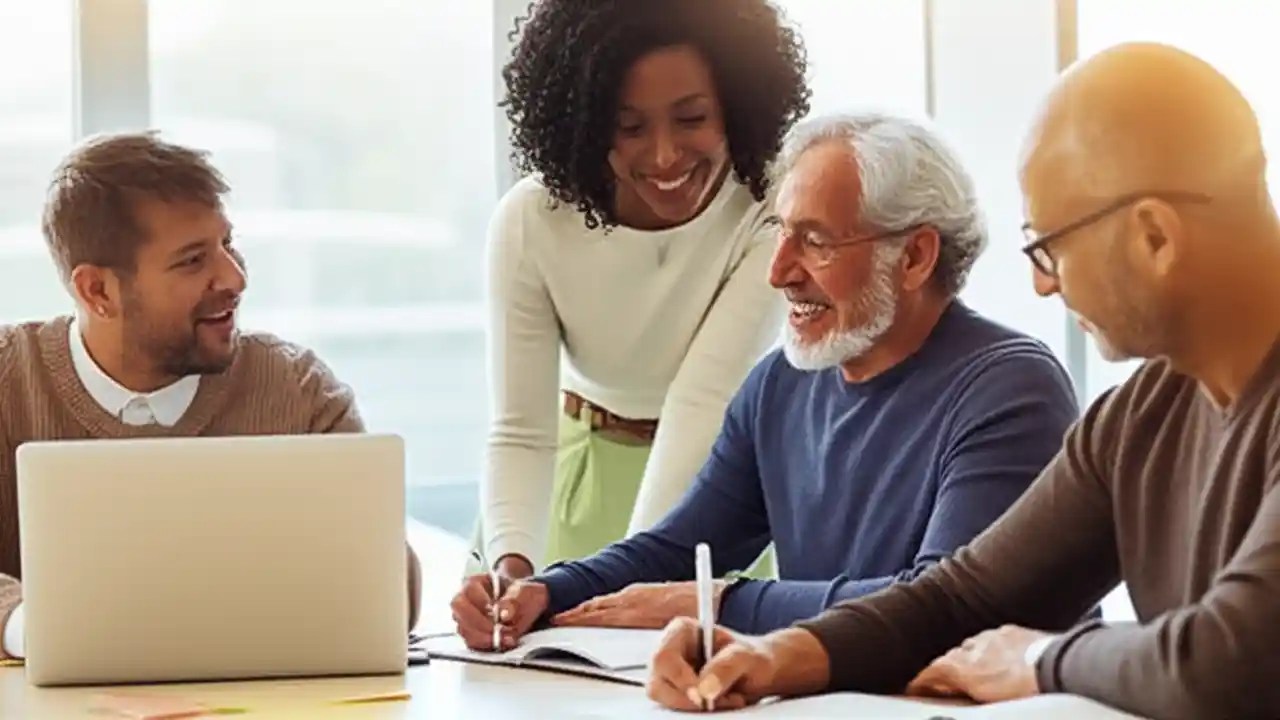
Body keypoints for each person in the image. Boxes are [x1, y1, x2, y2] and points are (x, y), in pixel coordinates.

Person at [646, 43, 1280, 720]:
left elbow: (1230, 663)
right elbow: (965, 596)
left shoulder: (1028, 385)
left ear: (1154, 236)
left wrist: (1036, 661)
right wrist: (781, 653)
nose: (1042, 284)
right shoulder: (1138, 420)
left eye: (1047, 246)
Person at [449, 112, 1079, 649]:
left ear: (914, 256)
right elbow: (675, 549)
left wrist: (721, 606)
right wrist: (542, 591)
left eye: (815, 241)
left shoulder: (1011, 389)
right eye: (782, 234)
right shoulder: (779, 385)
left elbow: (946, 605)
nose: (779, 272)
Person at [0, 132, 421, 661]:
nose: (234, 276)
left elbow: (388, 596)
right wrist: (28, 626)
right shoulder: (8, 381)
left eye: (228, 243)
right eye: (193, 261)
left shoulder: (299, 392)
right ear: (98, 292)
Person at [472, 0, 812, 583]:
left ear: (736, 101)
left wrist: (629, 581)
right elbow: (521, 432)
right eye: (629, 127)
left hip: (716, 491)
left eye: (691, 118)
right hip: (569, 484)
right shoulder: (532, 219)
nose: (664, 155)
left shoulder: (774, 203)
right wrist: (511, 565)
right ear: (585, 120)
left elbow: (703, 403)